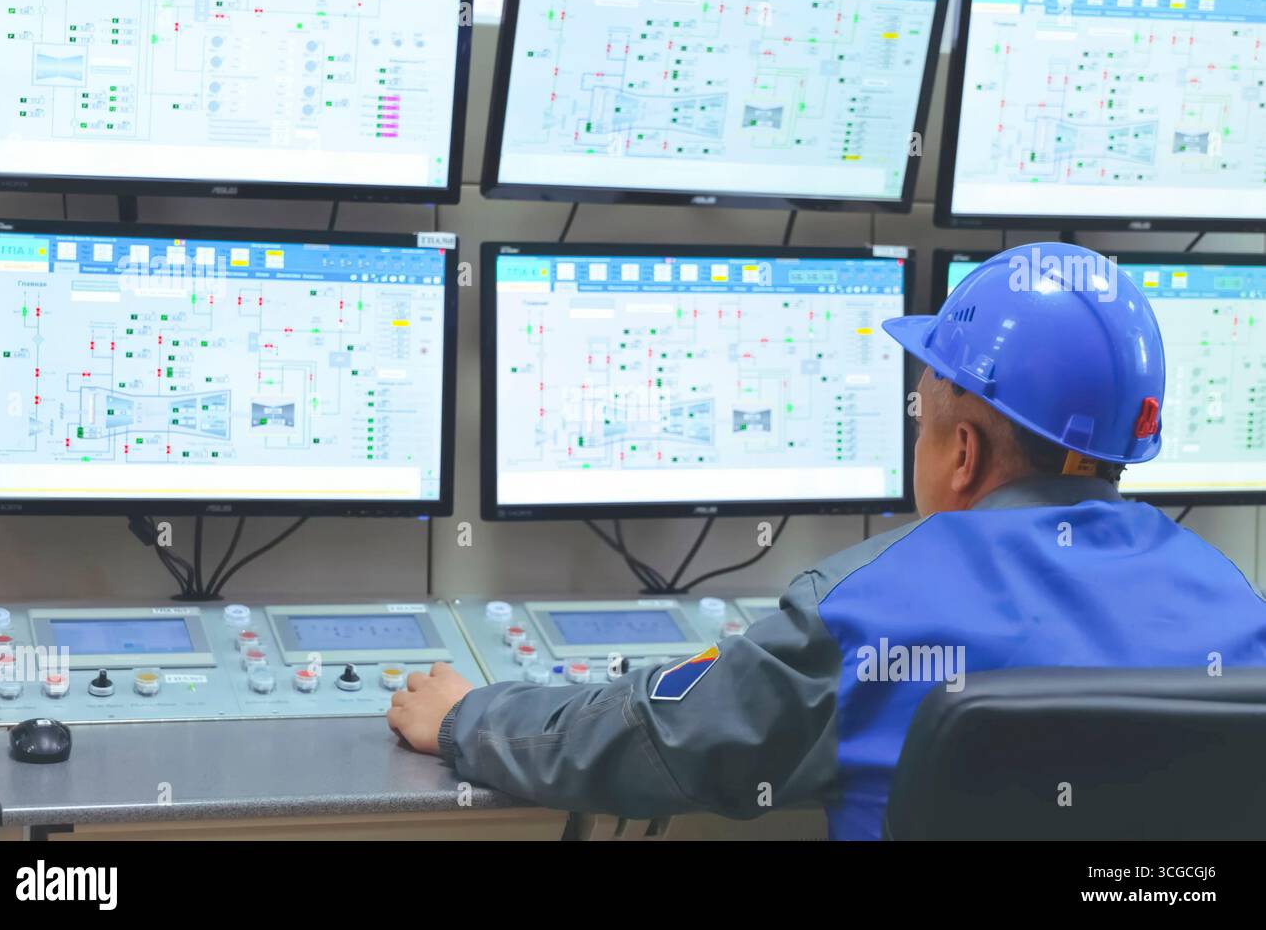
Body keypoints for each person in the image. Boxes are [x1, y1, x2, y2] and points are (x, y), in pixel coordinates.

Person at [387, 243, 1266, 840]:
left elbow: (654, 739)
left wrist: (468, 718)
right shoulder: (1235, 604)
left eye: (923, 422)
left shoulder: (872, 608)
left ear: (962, 453)